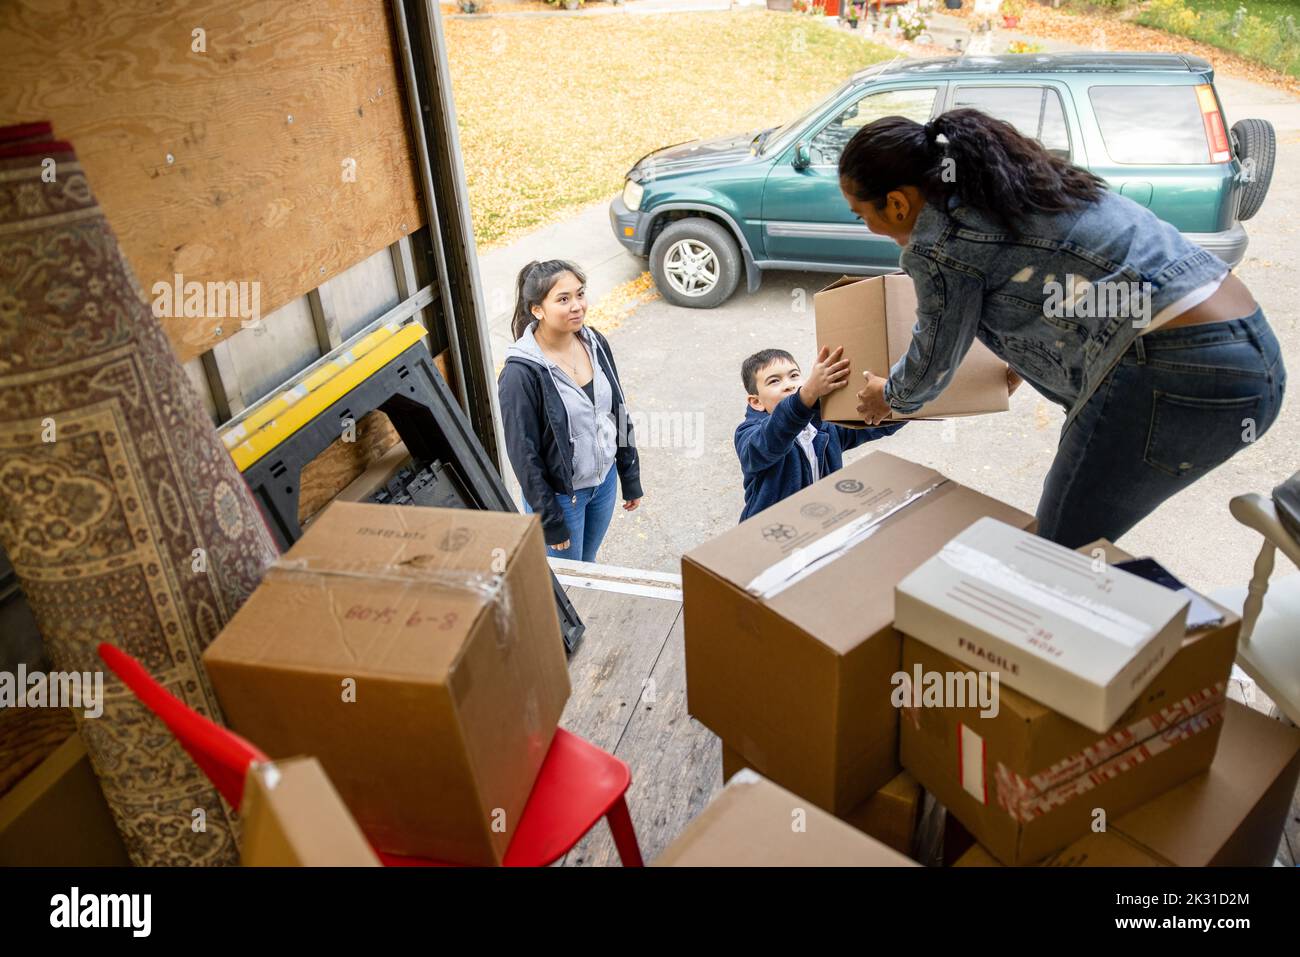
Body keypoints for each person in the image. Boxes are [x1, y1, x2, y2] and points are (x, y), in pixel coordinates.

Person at [840, 109, 1286, 547]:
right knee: (1076, 544)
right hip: (1253, 352)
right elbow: (1063, 276)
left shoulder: (940, 240)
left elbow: (931, 364)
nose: (867, 226)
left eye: (862, 215)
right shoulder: (1021, 183)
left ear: (897, 202)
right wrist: (1020, 355)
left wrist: (889, 396)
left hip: (1173, 366)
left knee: (1056, 553)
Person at [498, 260, 642, 561]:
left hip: (603, 485)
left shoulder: (594, 342)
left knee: (586, 569)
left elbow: (617, 409)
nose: (577, 306)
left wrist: (629, 476)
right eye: (563, 299)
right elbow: (524, 455)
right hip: (562, 499)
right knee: (563, 587)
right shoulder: (520, 373)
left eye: (580, 294)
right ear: (537, 310)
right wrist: (551, 521)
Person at [736, 345, 905, 522]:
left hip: (820, 522)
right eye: (774, 381)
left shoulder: (825, 424)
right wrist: (808, 393)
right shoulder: (748, 435)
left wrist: (903, 402)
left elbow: (874, 424)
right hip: (772, 533)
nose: (789, 385)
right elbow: (774, 437)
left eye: (793, 375)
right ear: (756, 402)